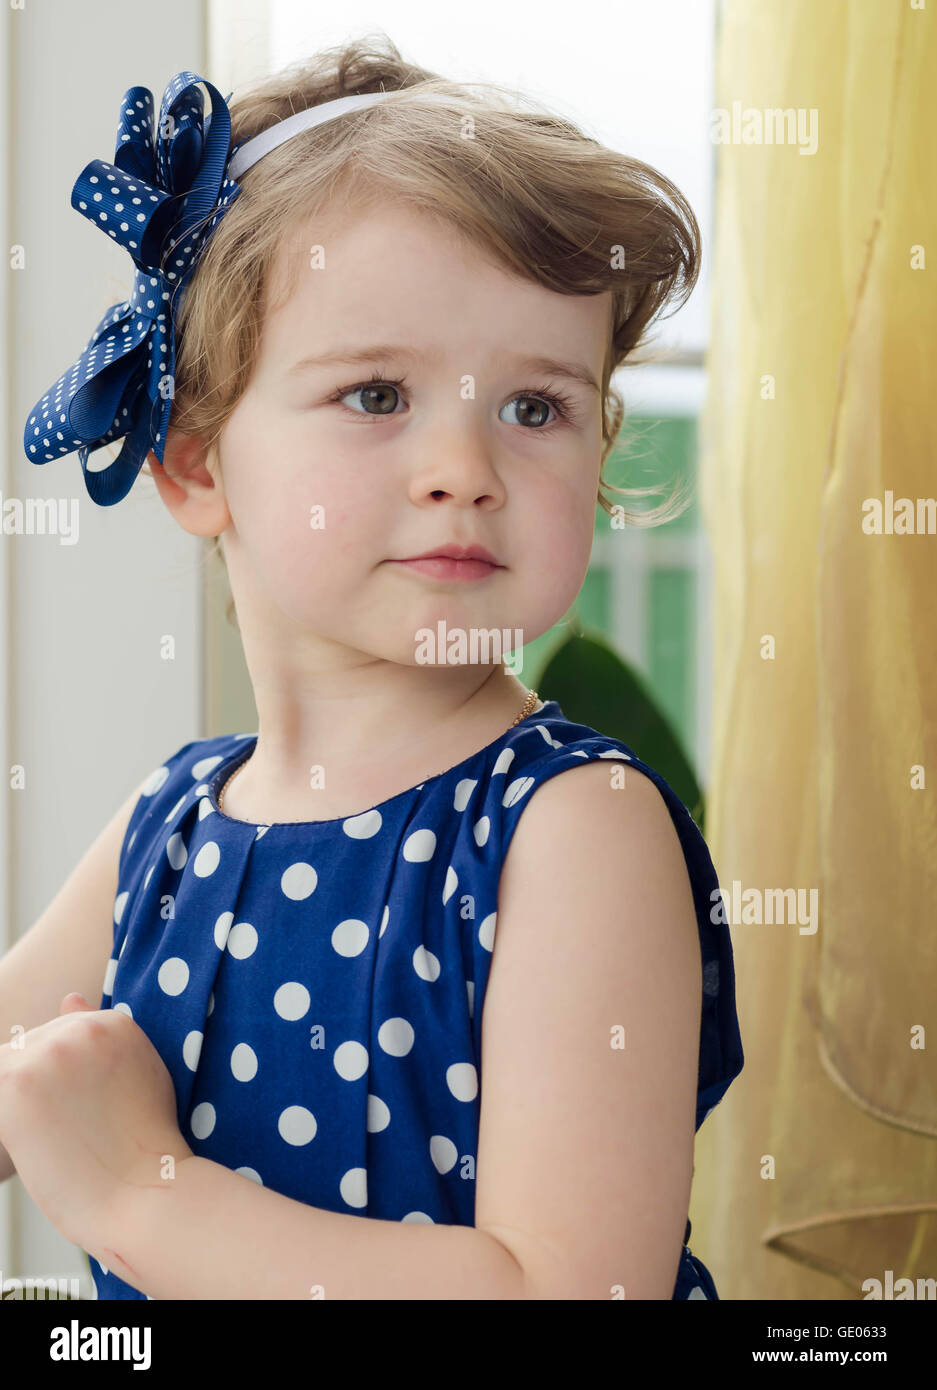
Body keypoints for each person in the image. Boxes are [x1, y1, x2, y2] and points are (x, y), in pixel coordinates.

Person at [3, 35, 743, 1300]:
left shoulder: (570, 832)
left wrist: (138, 1192)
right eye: (376, 393)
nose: (466, 465)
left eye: (534, 406)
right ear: (192, 460)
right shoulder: (168, 825)